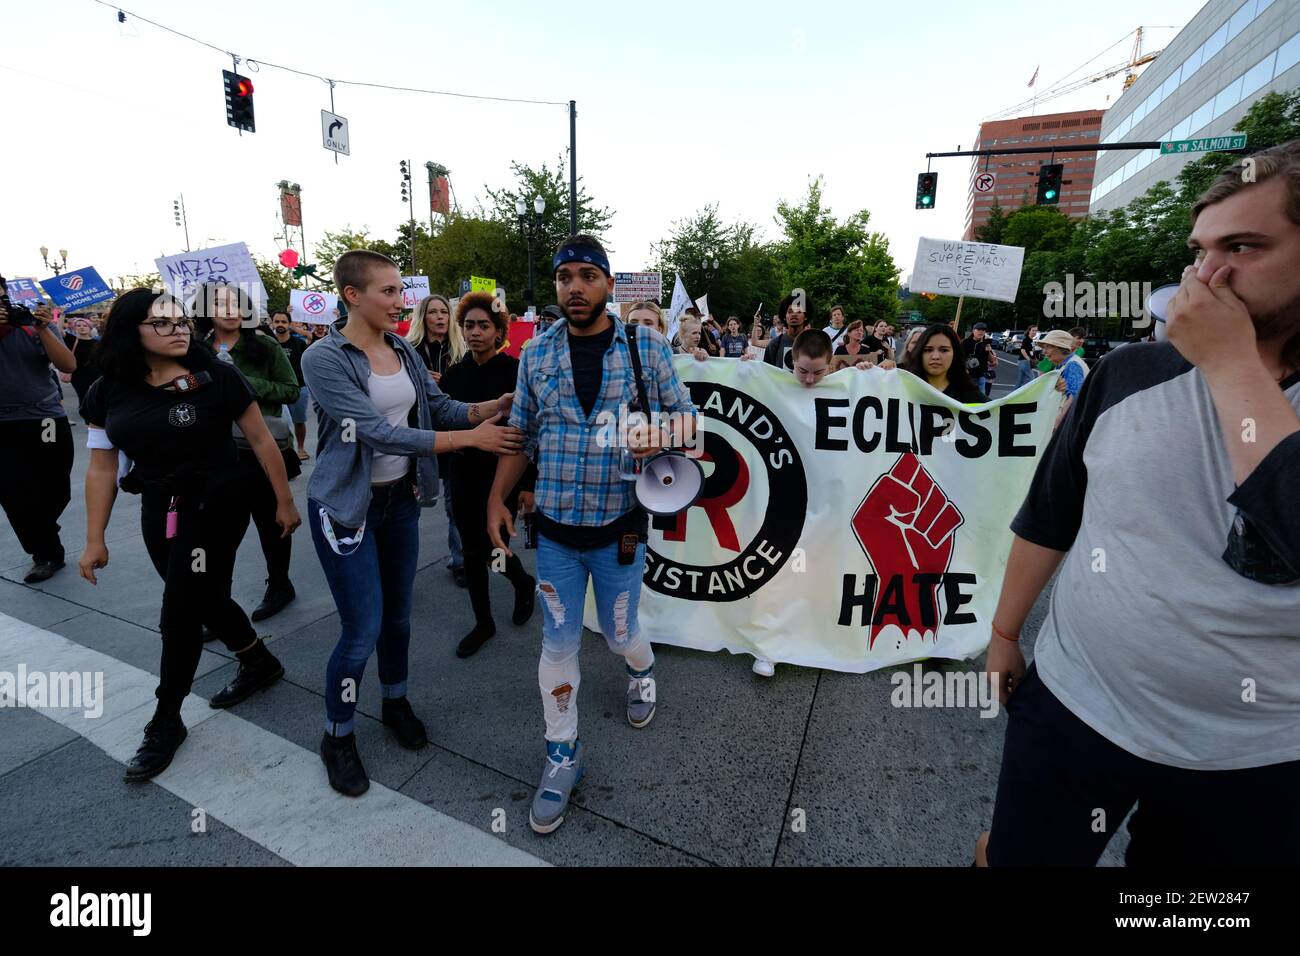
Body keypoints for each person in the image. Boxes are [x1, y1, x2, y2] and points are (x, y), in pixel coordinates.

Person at [978, 142, 1300, 867]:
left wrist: (1231, 366)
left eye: (1244, 247)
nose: (1206, 276)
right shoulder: (1129, 375)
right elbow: (1051, 513)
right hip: (1075, 709)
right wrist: (1004, 634)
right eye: (1200, 250)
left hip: (1256, 757)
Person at [486, 233, 697, 835]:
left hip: (620, 528)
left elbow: (688, 420)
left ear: (607, 282)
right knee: (557, 643)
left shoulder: (644, 345)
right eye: (564, 278)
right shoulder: (537, 354)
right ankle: (561, 754)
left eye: (587, 275)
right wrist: (495, 500)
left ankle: (641, 668)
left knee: (621, 631)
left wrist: (660, 435)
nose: (574, 287)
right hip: (552, 531)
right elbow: (521, 434)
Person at [302, 250, 520, 797]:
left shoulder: (400, 347)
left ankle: (395, 702)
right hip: (347, 507)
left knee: (397, 620)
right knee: (361, 631)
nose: (402, 302)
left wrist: (493, 405)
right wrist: (470, 439)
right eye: (390, 292)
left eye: (401, 290)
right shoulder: (323, 359)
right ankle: (338, 733)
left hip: (398, 502)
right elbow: (376, 431)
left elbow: (438, 407)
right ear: (354, 296)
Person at [78, 289, 299, 780]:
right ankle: (257, 661)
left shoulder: (217, 375)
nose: (178, 329)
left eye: (181, 321)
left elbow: (262, 439)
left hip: (218, 501)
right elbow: (100, 467)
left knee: (179, 610)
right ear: (130, 330)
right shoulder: (108, 388)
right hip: (160, 505)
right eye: (162, 323)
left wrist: (283, 501)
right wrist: (95, 538)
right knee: (203, 598)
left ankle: (166, 718)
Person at [193, 284, 303, 623]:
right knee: (220, 534)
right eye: (220, 304)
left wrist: (246, 384)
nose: (228, 310)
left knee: (272, 524)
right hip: (215, 453)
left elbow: (291, 390)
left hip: (262, 448)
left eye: (235, 303)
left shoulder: (264, 344)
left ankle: (280, 584)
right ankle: (219, 606)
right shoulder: (196, 347)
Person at [440, 291, 537, 657]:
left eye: (484, 325)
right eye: (469, 325)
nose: (476, 332)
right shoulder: (454, 374)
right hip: (463, 473)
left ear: (500, 332)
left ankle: (521, 582)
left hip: (503, 476)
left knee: (494, 549)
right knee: (471, 550)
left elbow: (530, 433)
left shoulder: (514, 372)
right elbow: (442, 421)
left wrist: (527, 486)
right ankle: (483, 622)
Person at [0, 277, 76, 583]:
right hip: (2, 425)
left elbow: (68, 365)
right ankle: (45, 554)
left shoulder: (31, 324)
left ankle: (43, 530)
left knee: (56, 490)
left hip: (45, 419)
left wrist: (43, 329)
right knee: (14, 496)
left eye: (1, 298)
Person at [407, 293, 468, 586]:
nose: (440, 317)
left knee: (456, 503)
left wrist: (446, 384)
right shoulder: (408, 351)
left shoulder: (462, 348)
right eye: (433, 312)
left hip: (454, 432)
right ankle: (400, 564)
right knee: (411, 504)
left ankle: (460, 560)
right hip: (421, 432)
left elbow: (469, 392)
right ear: (423, 317)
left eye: (444, 312)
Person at [902, 323, 987, 403]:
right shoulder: (901, 385)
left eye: (944, 350)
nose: (935, 356)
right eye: (928, 350)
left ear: (955, 353)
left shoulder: (970, 395)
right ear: (919, 352)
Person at [269, 310, 312, 461]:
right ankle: (283, 451)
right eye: (277, 321)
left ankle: (300, 448)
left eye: (284, 322)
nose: (280, 325)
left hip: (299, 388)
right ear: (272, 323)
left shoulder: (299, 343)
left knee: (299, 421)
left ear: (289, 324)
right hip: (276, 390)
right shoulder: (268, 343)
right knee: (277, 422)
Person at [1037, 328, 1089, 425]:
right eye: (1043, 347)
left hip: (1068, 424)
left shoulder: (1072, 365)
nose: (1044, 352)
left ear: (1061, 348)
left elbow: (1074, 397)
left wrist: (1058, 424)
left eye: (1048, 347)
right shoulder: (1065, 364)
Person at [63, 315, 103, 416]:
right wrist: (59, 314)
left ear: (90, 328)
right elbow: (59, 331)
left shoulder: (97, 342)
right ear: (74, 328)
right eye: (79, 325)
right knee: (83, 395)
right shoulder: (72, 340)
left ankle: (98, 414)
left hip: (96, 373)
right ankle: (86, 416)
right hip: (78, 375)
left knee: (98, 394)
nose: (82, 327)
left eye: (85, 325)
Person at [760, 293, 809, 369]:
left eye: (798, 311)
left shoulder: (814, 343)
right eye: (790, 311)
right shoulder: (774, 344)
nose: (794, 314)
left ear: (806, 316)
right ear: (784, 317)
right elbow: (766, 372)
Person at [962, 322, 995, 395]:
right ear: (973, 331)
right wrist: (964, 369)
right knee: (968, 397)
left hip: (981, 375)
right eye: (979, 329)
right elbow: (959, 357)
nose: (981, 331)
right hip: (969, 375)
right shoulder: (966, 342)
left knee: (981, 398)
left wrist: (989, 350)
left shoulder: (985, 343)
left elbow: (992, 361)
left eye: (983, 330)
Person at [1015, 324, 1040, 389]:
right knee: (1031, 379)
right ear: (1029, 331)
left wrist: (1034, 357)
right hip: (1024, 361)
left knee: (1020, 381)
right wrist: (1029, 359)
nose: (1034, 332)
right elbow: (1022, 350)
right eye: (1033, 330)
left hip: (1023, 361)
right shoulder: (1026, 340)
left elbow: (1031, 351)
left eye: (1036, 331)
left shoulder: (1031, 340)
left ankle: (1013, 395)